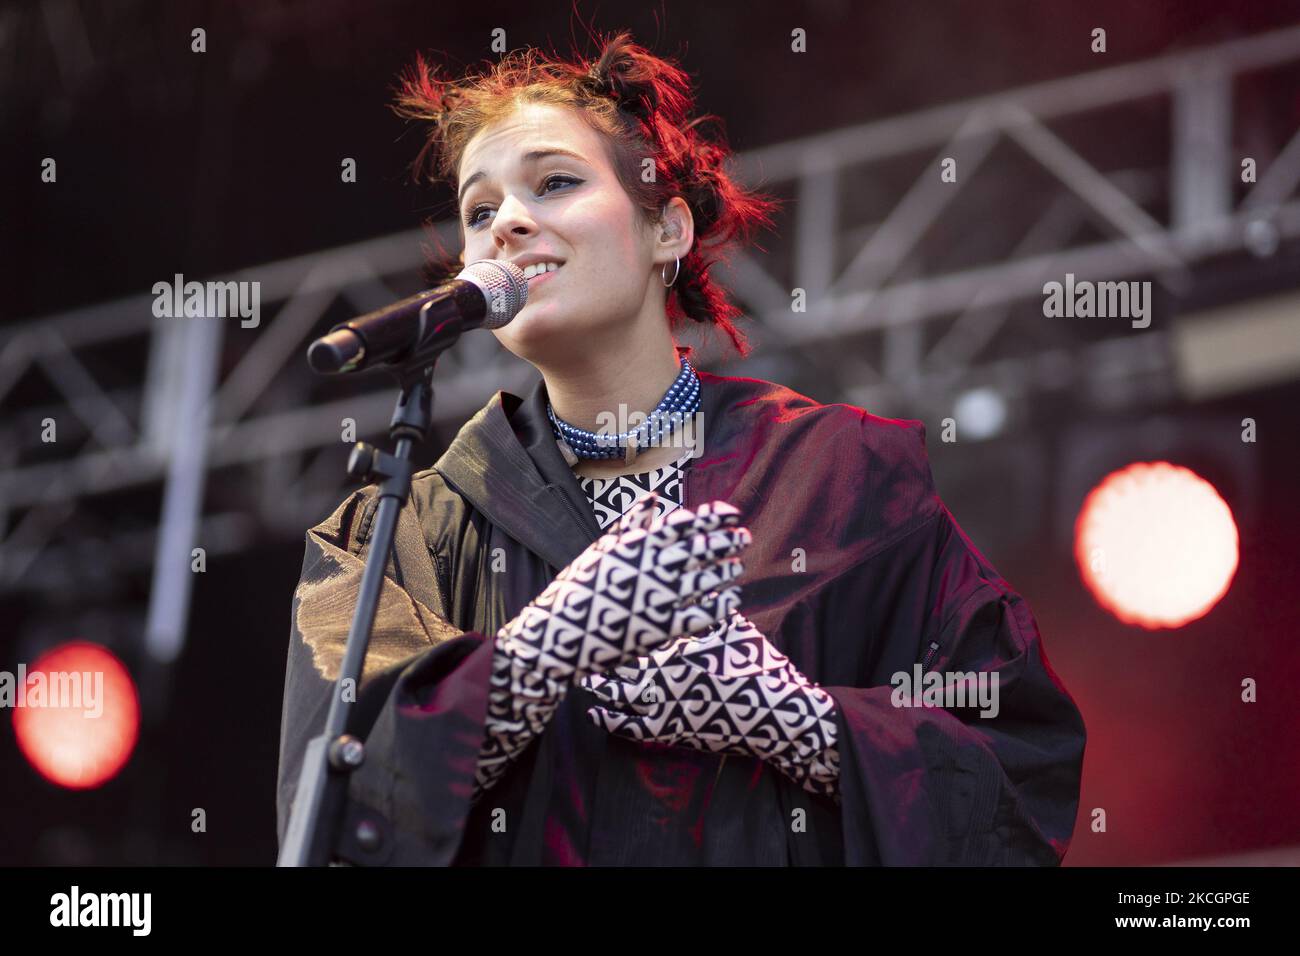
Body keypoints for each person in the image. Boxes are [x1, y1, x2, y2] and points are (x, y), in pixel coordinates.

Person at [276, 31, 1087, 866]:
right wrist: (524, 665)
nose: (508, 223)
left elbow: (1018, 774)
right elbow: (329, 814)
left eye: (555, 183)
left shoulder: (840, 477)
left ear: (667, 228)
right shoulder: (398, 531)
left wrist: (810, 728)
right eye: (480, 211)